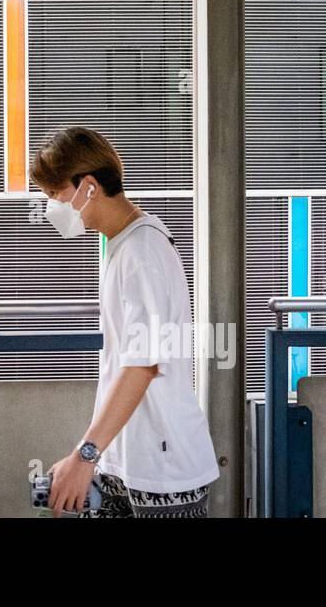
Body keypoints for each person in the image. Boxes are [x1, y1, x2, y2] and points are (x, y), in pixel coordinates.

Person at [33, 126, 219, 518]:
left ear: (88, 187)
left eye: (54, 195)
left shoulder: (142, 252)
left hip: (162, 471)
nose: (50, 207)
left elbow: (142, 366)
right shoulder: (123, 245)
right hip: (124, 460)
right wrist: (90, 458)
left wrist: (83, 457)